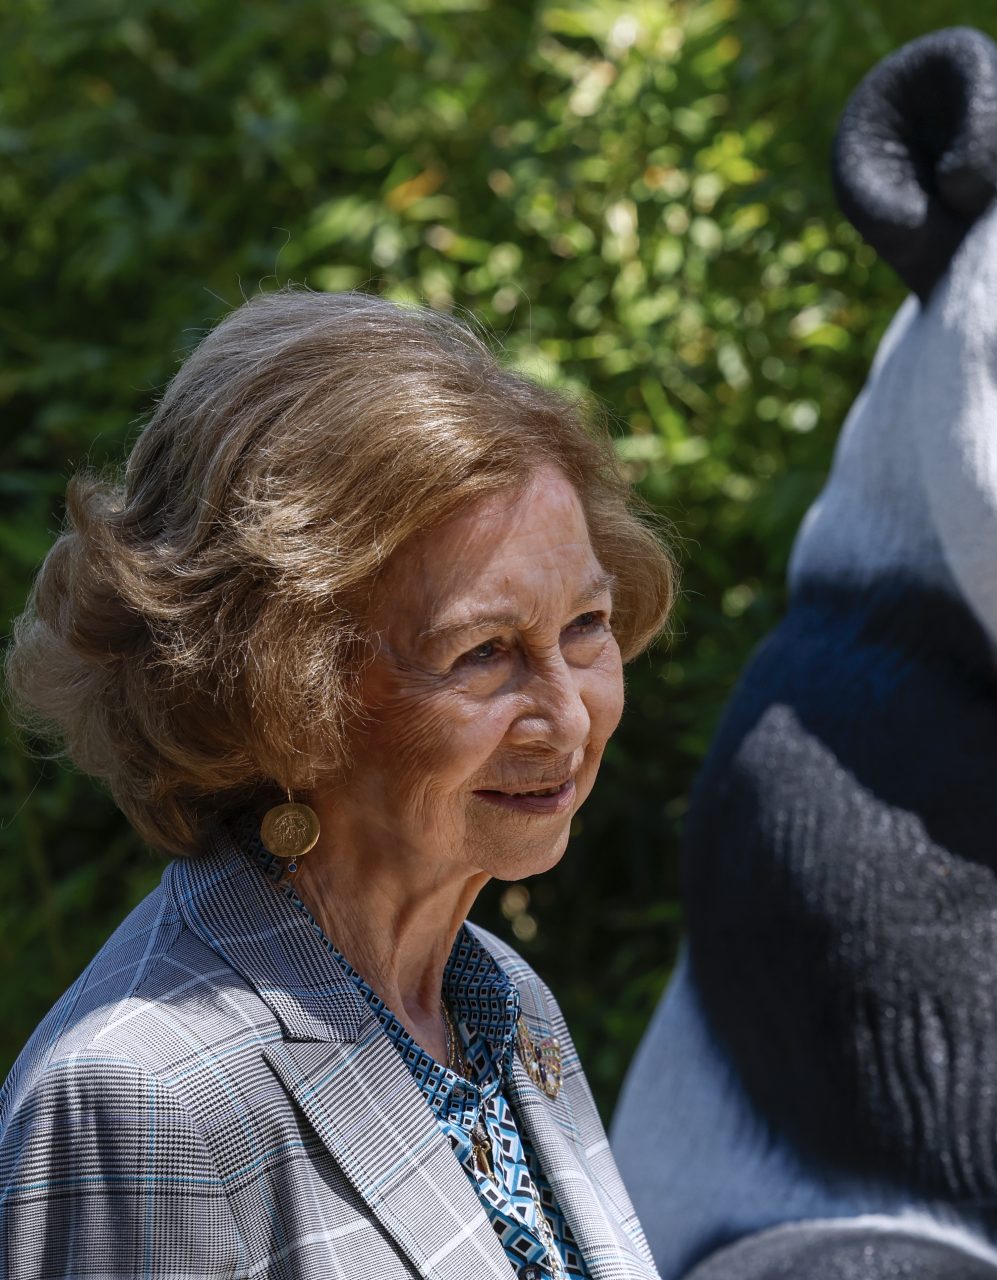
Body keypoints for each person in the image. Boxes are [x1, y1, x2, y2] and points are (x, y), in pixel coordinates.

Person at [0, 289, 674, 1280]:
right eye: (486, 652)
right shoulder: (141, 1093)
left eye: (586, 627)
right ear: (281, 685)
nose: (569, 716)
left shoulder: (500, 1003)